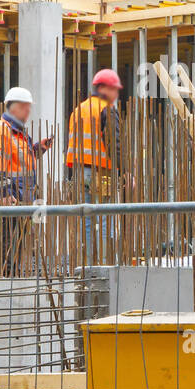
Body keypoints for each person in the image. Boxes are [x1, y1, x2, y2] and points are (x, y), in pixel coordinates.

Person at [0, 87, 54, 274]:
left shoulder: (19, 134)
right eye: (26, 107)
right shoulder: (3, 131)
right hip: (11, 199)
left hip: (23, 198)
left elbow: (22, 161)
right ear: (14, 108)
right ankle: (3, 277)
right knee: (5, 241)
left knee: (17, 244)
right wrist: (6, 195)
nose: (28, 112)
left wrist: (39, 148)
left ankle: (10, 274)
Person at [65, 69, 123, 253]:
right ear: (104, 88)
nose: (116, 94)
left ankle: (89, 262)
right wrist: (124, 170)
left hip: (81, 173)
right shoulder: (106, 109)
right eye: (114, 89)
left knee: (87, 219)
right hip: (102, 171)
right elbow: (115, 144)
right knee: (105, 217)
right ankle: (104, 262)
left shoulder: (78, 110)